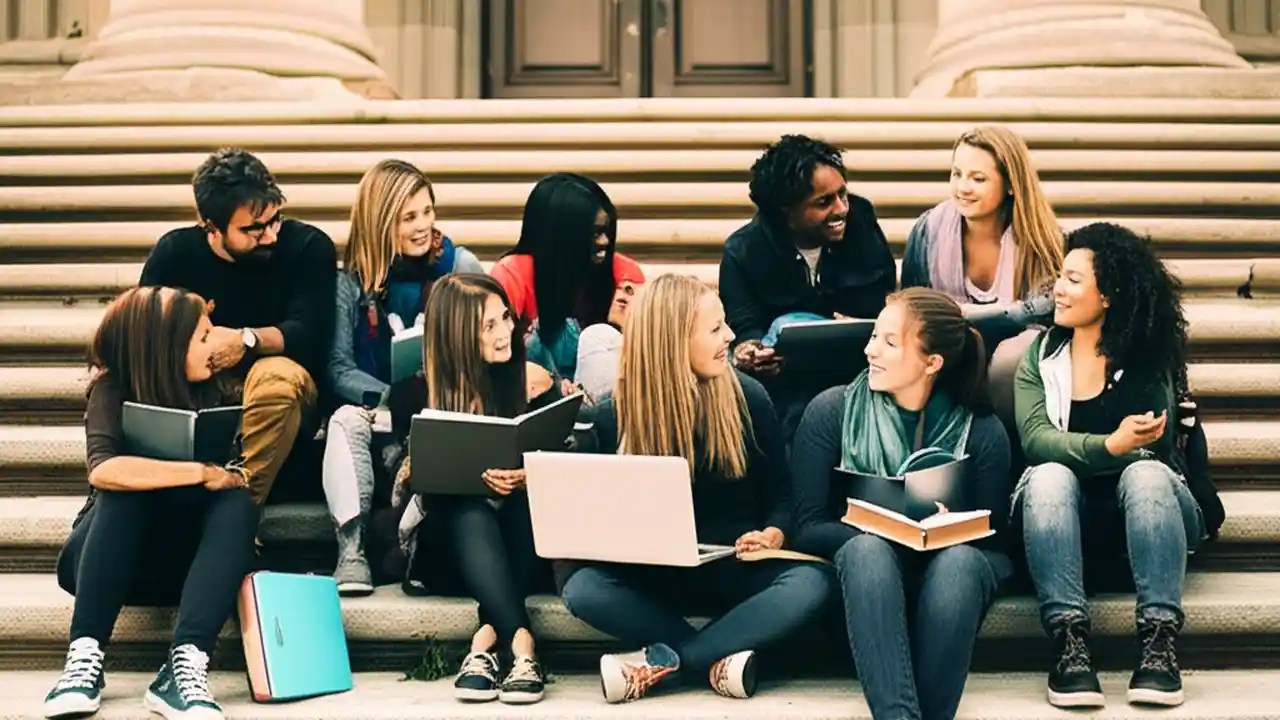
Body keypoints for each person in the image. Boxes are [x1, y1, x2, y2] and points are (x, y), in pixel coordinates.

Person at [559, 274, 833, 704]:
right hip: (654, 576)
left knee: (812, 582)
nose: (729, 336)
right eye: (714, 328)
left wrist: (774, 533)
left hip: (735, 566)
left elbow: (783, 495)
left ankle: (665, 661)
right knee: (582, 589)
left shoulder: (749, 398)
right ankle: (717, 659)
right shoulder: (615, 416)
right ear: (673, 340)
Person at [1013, 223, 1215, 709]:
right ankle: (1068, 643)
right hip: (1061, 520)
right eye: (1059, 277)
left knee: (1143, 472)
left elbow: (1152, 444)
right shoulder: (1040, 358)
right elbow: (1038, 442)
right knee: (1047, 476)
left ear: (1108, 294)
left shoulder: (1147, 355)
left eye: (1074, 280)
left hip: (1147, 513)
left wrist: (1119, 449)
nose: (1058, 289)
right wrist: (1110, 444)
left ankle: (1159, 641)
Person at [790, 287, 1013, 720]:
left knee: (962, 563)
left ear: (933, 363)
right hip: (864, 587)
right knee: (867, 550)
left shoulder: (982, 430)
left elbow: (998, 541)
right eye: (875, 336)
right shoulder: (831, 412)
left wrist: (953, 529)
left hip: (949, 585)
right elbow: (808, 525)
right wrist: (881, 527)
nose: (870, 349)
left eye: (890, 342)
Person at [43, 287, 258, 720]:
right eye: (202, 336)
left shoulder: (217, 392)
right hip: (103, 562)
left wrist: (228, 475)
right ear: (166, 348)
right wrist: (197, 472)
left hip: (186, 571)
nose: (214, 343)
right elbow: (102, 470)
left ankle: (184, 668)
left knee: (238, 503)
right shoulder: (112, 389)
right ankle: (84, 659)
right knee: (125, 492)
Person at [385, 274, 550, 705]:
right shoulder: (413, 396)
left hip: (517, 540)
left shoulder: (527, 384)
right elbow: (406, 494)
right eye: (489, 326)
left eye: (506, 319)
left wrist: (531, 474)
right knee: (468, 509)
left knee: (521, 506)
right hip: (447, 549)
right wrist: (419, 467)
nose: (505, 333)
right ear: (458, 336)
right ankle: (523, 644)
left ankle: (484, 642)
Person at [139, 147, 336, 505]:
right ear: (210, 227)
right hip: (199, 394)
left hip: (285, 400)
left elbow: (309, 334)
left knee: (275, 375)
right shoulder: (174, 254)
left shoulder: (307, 247)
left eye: (274, 219)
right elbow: (146, 335)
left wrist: (246, 340)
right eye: (253, 229)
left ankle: (238, 508)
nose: (270, 236)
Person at [322, 159, 484, 595]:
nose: (422, 227)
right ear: (380, 222)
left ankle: (418, 536)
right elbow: (337, 367)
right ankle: (351, 551)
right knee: (344, 422)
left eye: (427, 212)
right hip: (383, 410)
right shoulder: (351, 283)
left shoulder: (458, 263)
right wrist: (392, 394)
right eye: (408, 217)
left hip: (448, 404)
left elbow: (493, 336)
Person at [718, 134, 896, 438]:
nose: (841, 209)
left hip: (861, 370)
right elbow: (745, 329)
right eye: (824, 202)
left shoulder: (861, 220)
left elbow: (883, 299)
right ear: (786, 210)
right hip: (784, 386)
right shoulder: (743, 251)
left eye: (844, 194)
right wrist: (752, 352)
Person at [901, 125, 1064, 422]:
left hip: (1016, 361)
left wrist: (966, 314)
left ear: (1011, 184)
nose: (962, 187)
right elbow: (912, 304)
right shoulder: (928, 230)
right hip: (950, 346)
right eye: (956, 174)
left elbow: (1043, 312)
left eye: (978, 179)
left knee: (1015, 352)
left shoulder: (1040, 238)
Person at [491, 172, 645, 394]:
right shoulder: (512, 274)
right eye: (594, 233)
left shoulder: (625, 275)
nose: (605, 241)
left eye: (607, 230)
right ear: (562, 237)